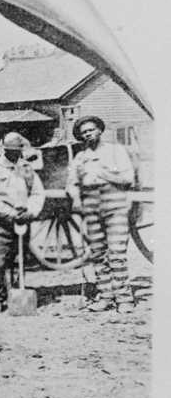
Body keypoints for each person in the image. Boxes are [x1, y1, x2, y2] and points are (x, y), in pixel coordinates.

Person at [66, 116, 137, 312]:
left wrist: (102, 173)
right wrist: (76, 198)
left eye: (91, 130)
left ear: (99, 130)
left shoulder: (115, 151)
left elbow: (128, 178)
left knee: (117, 252)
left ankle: (124, 299)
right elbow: (71, 183)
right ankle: (105, 296)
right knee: (97, 253)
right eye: (84, 132)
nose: (88, 134)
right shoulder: (80, 158)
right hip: (90, 206)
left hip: (115, 204)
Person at [0, 132, 46, 313]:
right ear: (3, 148)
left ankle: (17, 294)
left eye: (17, 150)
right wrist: (8, 213)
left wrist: (31, 211)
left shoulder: (26, 168)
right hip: (2, 221)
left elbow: (37, 192)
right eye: (10, 150)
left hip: (23, 220)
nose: (13, 153)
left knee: (21, 259)